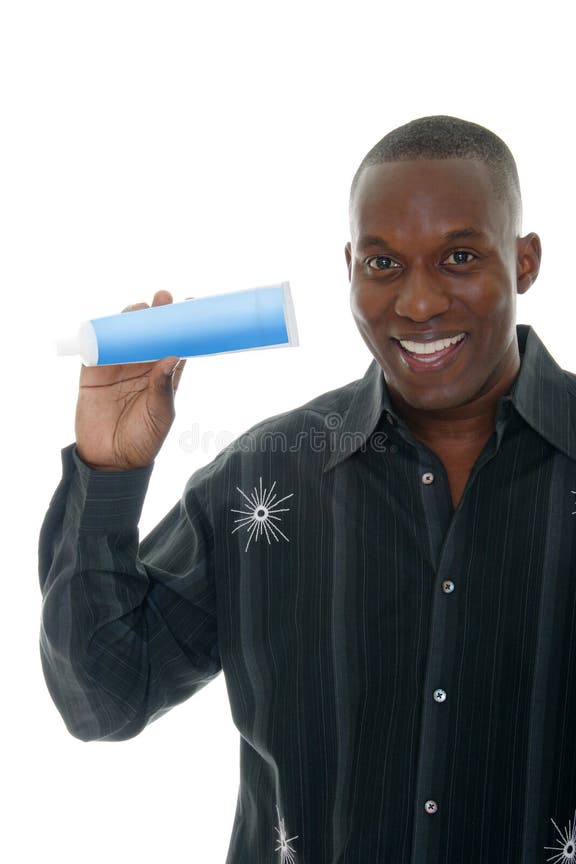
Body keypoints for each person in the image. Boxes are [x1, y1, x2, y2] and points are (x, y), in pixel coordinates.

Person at [38, 115, 576, 864]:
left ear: (524, 262)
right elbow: (103, 699)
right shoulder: (265, 478)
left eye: (459, 256)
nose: (418, 305)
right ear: (350, 266)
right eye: (384, 264)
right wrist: (109, 468)